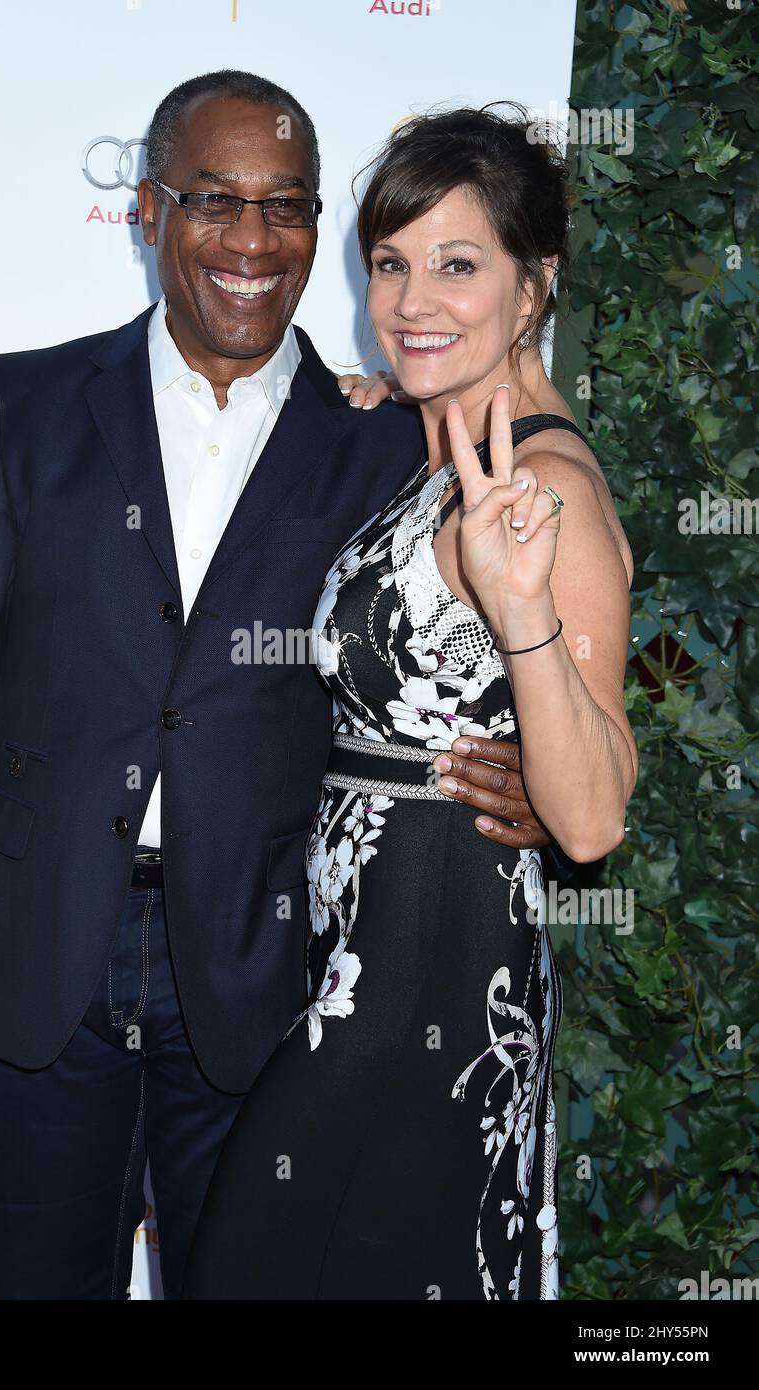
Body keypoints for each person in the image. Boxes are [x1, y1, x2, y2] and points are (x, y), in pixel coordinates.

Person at [0, 74, 552, 1301]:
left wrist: (511, 774)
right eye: (214, 202)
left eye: (285, 207)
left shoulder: (391, 442)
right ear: (147, 212)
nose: (250, 241)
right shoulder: (20, 407)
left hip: (274, 982)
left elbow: (477, 659)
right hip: (36, 974)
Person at [181, 105, 637, 1301]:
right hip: (359, 966)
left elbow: (590, 818)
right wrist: (398, 393)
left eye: (456, 265)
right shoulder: (446, 445)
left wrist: (519, 603)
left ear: (532, 288)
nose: (411, 299)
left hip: (432, 976)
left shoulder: (546, 488)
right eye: (390, 263)